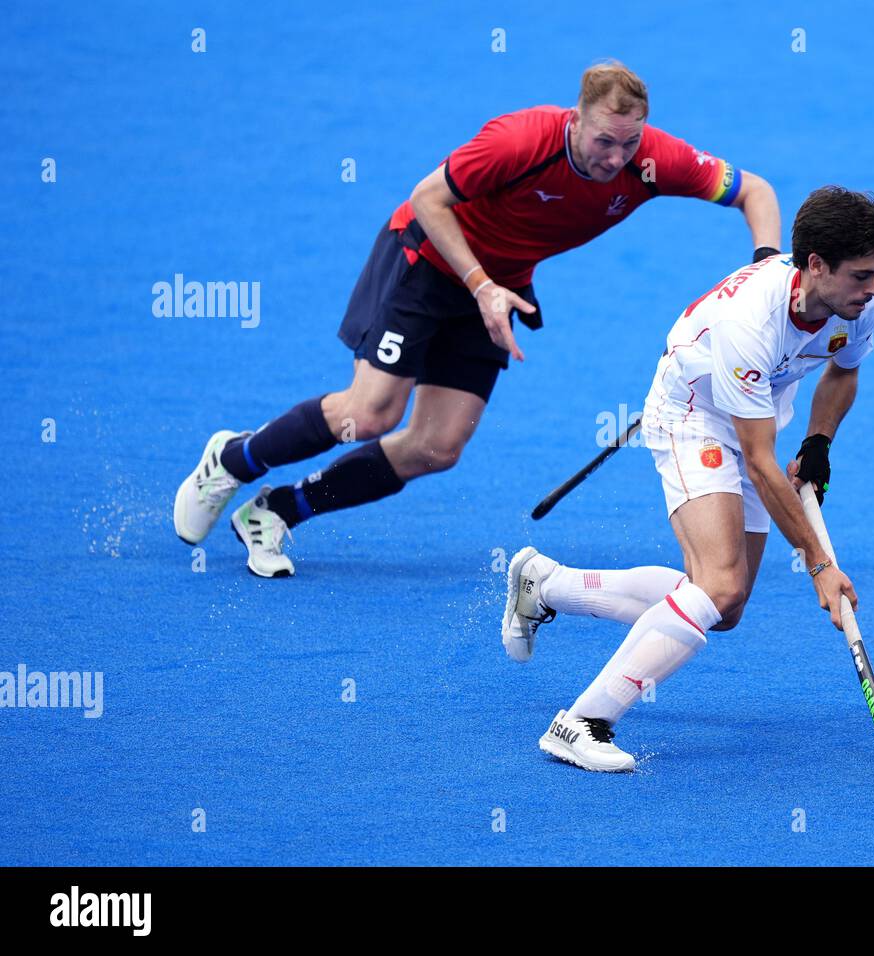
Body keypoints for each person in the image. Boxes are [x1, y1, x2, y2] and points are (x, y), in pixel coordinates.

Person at [172, 61, 781, 577]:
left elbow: (756, 190)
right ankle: (233, 460)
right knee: (370, 412)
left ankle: (276, 510)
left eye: (629, 142)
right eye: (604, 142)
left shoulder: (652, 161)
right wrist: (479, 284)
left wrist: (761, 272)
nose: (617, 157)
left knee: (437, 447)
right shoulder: (519, 143)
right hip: (428, 260)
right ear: (576, 121)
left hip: (501, 288)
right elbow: (428, 198)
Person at [500, 186, 874, 771]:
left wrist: (818, 444)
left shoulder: (864, 302)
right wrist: (819, 564)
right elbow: (760, 465)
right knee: (719, 586)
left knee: (723, 607)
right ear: (816, 266)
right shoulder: (750, 324)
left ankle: (546, 585)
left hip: (755, 411)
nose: (873, 288)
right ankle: (582, 721)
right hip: (691, 414)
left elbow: (842, 371)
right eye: (861, 275)